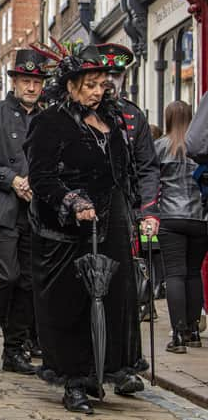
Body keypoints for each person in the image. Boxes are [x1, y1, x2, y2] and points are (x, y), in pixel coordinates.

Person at [24, 42, 144, 414]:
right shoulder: (50, 121)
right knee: (71, 304)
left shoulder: (113, 121)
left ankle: (107, 370)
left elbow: (124, 173)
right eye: (90, 84)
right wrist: (73, 201)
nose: (97, 90)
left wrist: (135, 212)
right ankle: (74, 381)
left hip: (112, 224)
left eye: (101, 83)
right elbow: (41, 177)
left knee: (115, 299)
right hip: (66, 233)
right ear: (72, 83)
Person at [0, 49, 48, 373]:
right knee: (6, 275)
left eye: (36, 82)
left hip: (37, 211)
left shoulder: (48, 120)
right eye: (26, 80)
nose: (31, 87)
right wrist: (13, 180)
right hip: (2, 208)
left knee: (29, 281)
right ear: (14, 81)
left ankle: (15, 350)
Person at [95, 42, 159, 377]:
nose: (109, 81)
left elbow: (148, 167)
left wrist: (148, 212)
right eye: (104, 73)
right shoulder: (78, 112)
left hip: (124, 217)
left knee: (125, 292)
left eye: (115, 75)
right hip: (87, 217)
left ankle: (124, 365)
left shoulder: (133, 116)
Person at [155, 100, 208, 352]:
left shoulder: (160, 147)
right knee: (193, 273)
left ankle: (177, 335)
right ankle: (194, 331)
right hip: (199, 217)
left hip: (170, 216)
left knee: (174, 274)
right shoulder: (201, 148)